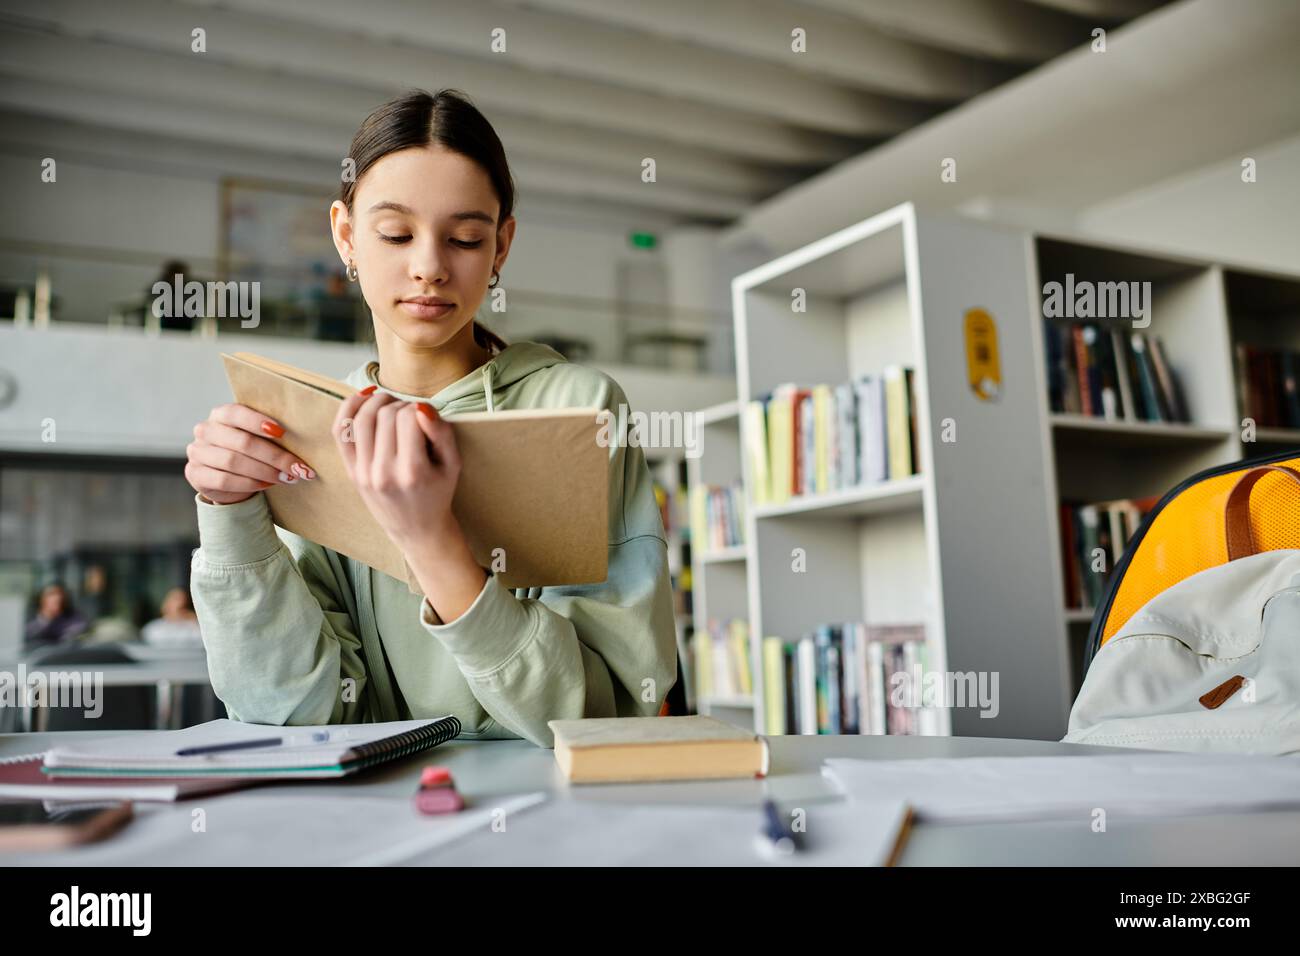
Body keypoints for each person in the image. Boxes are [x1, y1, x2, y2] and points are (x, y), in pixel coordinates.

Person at [184, 89, 678, 747]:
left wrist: (431, 543)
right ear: (345, 235)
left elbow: (612, 714)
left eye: (466, 238)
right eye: (394, 233)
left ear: (501, 246)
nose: (429, 268)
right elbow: (295, 715)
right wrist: (231, 519)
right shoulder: (310, 429)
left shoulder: (580, 409)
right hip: (379, 822)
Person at [23, 582, 88, 649]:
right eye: (51, 594)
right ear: (41, 598)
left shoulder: (74, 620)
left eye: (60, 594)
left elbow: (73, 637)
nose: (57, 598)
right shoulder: (29, 620)